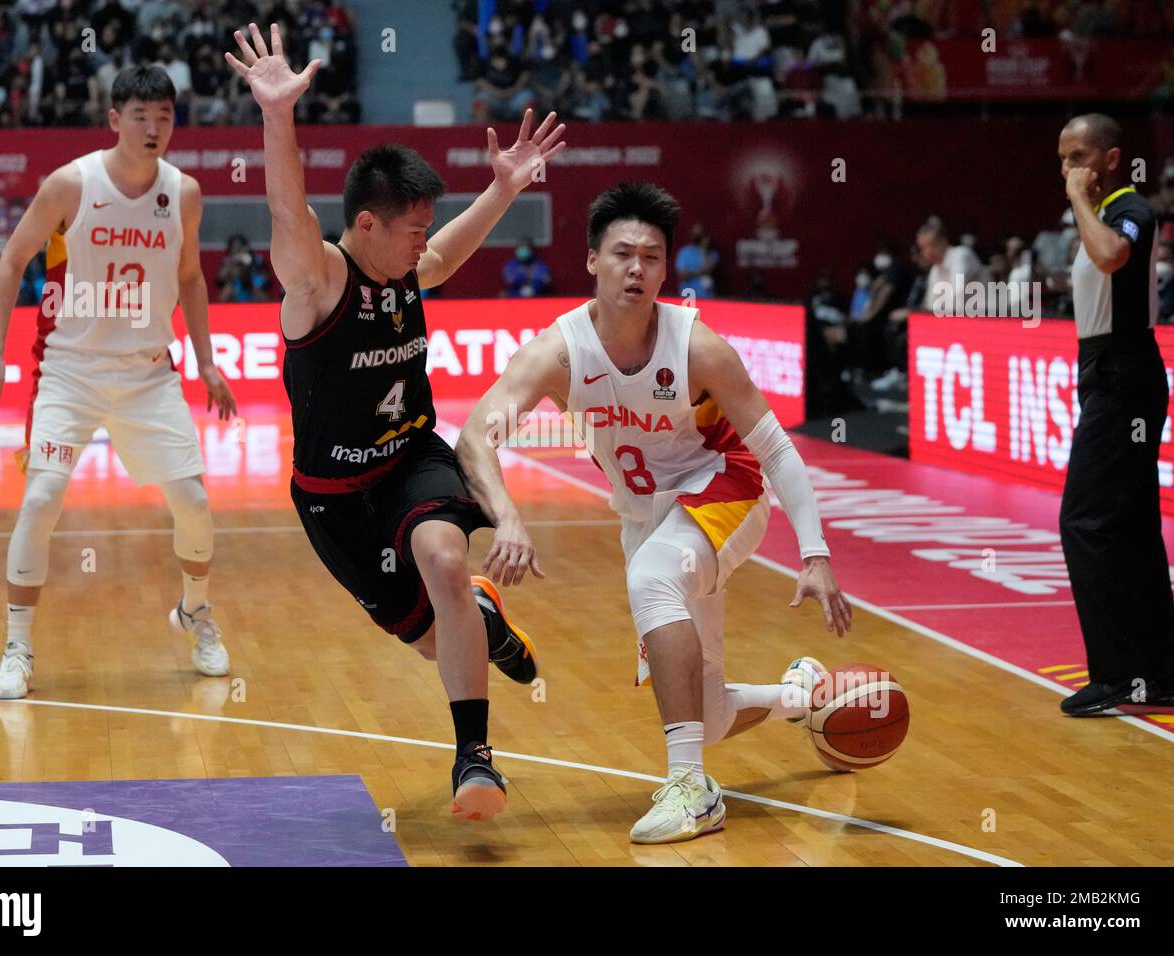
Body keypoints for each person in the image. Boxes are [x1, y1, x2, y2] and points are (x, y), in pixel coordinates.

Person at [225, 22, 565, 821]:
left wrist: (505, 188)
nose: (423, 247)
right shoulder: (316, 281)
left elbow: (445, 255)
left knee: (442, 558)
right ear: (367, 226)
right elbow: (286, 212)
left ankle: (475, 759)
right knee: (428, 635)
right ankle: (484, 621)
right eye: (411, 230)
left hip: (412, 457)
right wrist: (278, 114)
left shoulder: (408, 268)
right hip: (333, 499)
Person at [456, 181, 851, 844]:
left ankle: (693, 791)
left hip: (725, 486)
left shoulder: (697, 347)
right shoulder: (559, 351)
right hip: (646, 515)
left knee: (652, 582)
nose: (636, 268)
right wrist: (509, 518)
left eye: (651, 256)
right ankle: (804, 695)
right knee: (706, 710)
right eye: (622, 254)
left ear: (668, 269)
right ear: (591, 261)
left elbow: (778, 449)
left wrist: (815, 554)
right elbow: (475, 436)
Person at [0, 65, 238, 701]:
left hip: (149, 373)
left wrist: (206, 361)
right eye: (140, 117)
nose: (154, 128)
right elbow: (12, 260)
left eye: (165, 117)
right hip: (70, 369)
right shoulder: (71, 184)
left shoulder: (186, 192)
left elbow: (192, 279)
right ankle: (17, 646)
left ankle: (195, 612)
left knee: (195, 505)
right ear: (115, 120)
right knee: (40, 502)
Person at [1056, 113, 1174, 715]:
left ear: (1111, 158)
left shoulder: (1128, 206)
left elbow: (1110, 257)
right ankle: (1158, 676)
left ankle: (1113, 674)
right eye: (1061, 159)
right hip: (1105, 371)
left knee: (1084, 522)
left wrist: (1081, 199)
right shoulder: (1100, 210)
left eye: (1079, 156)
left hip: (1123, 373)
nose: (1068, 170)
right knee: (1132, 528)